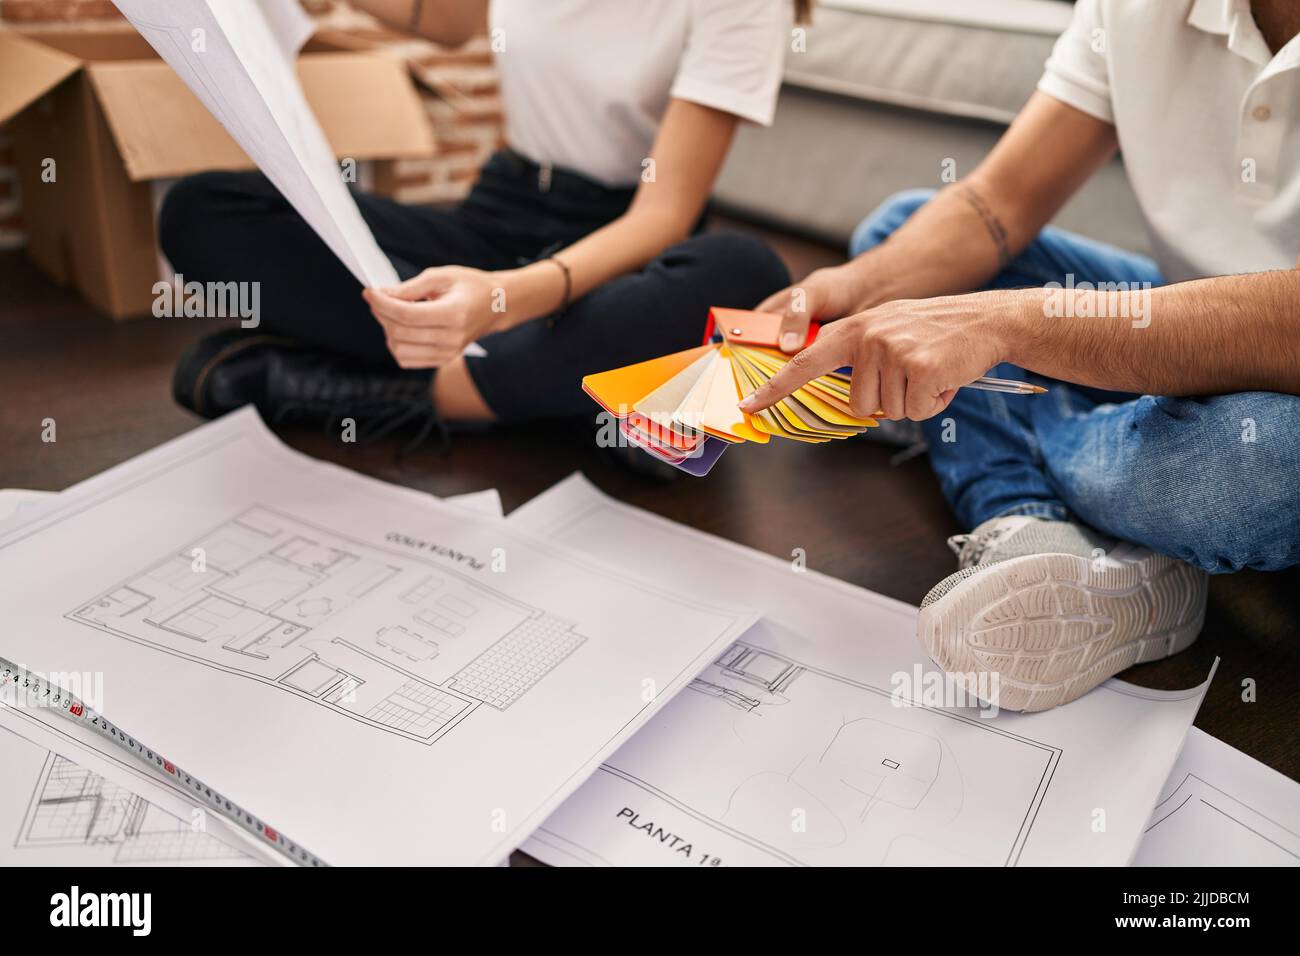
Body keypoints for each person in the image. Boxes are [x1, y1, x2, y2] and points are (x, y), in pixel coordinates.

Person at [745, 0, 1300, 711]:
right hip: (1183, 301)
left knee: (1264, 462)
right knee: (899, 237)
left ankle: (1003, 442)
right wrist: (855, 288)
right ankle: (1035, 527)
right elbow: (999, 201)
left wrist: (1001, 331)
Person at [163, 0, 804, 448]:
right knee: (204, 210)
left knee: (748, 276)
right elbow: (445, 19)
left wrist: (500, 302)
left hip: (623, 245)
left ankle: (419, 392)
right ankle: (569, 389)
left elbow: (663, 214)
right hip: (501, 211)